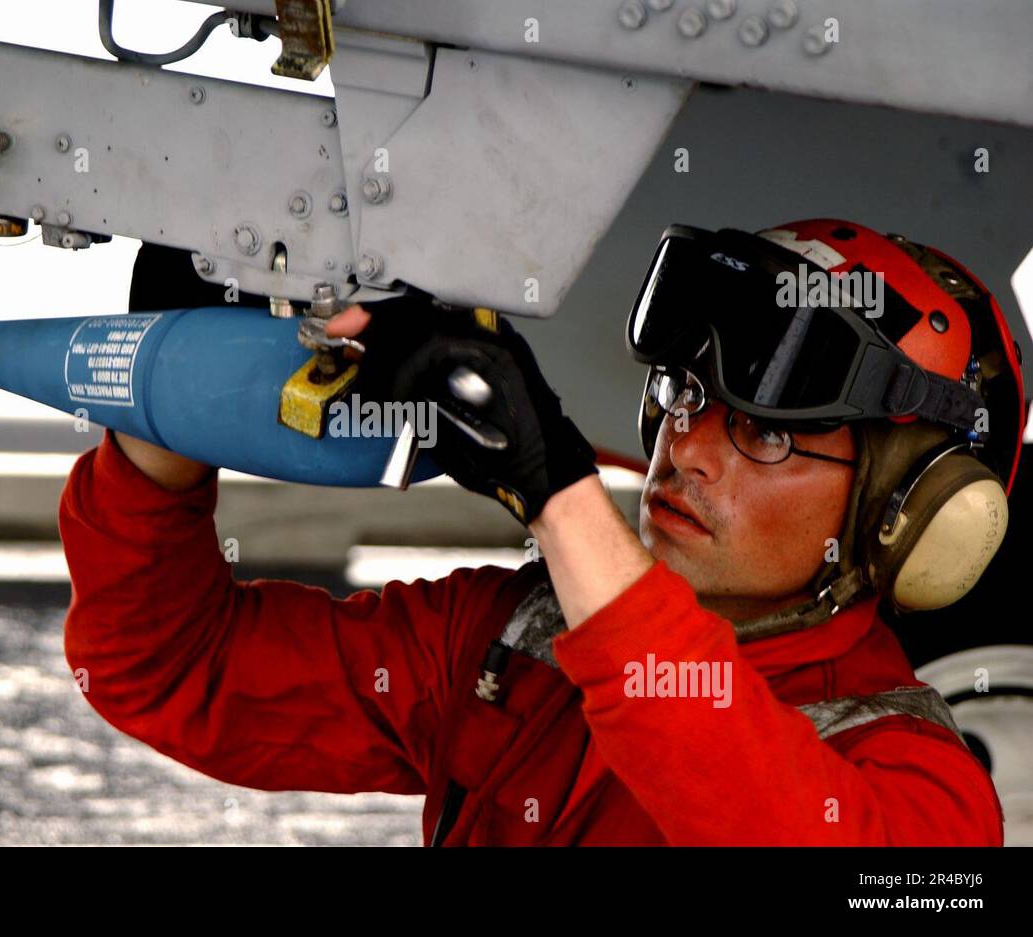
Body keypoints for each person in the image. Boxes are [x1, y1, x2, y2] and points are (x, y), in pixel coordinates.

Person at [60, 219, 1023, 845]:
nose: (686, 447)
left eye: (766, 432)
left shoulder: (926, 792)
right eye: (686, 392)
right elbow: (171, 667)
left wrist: (555, 488)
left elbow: (739, 790)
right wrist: (164, 411)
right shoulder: (513, 638)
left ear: (907, 514)